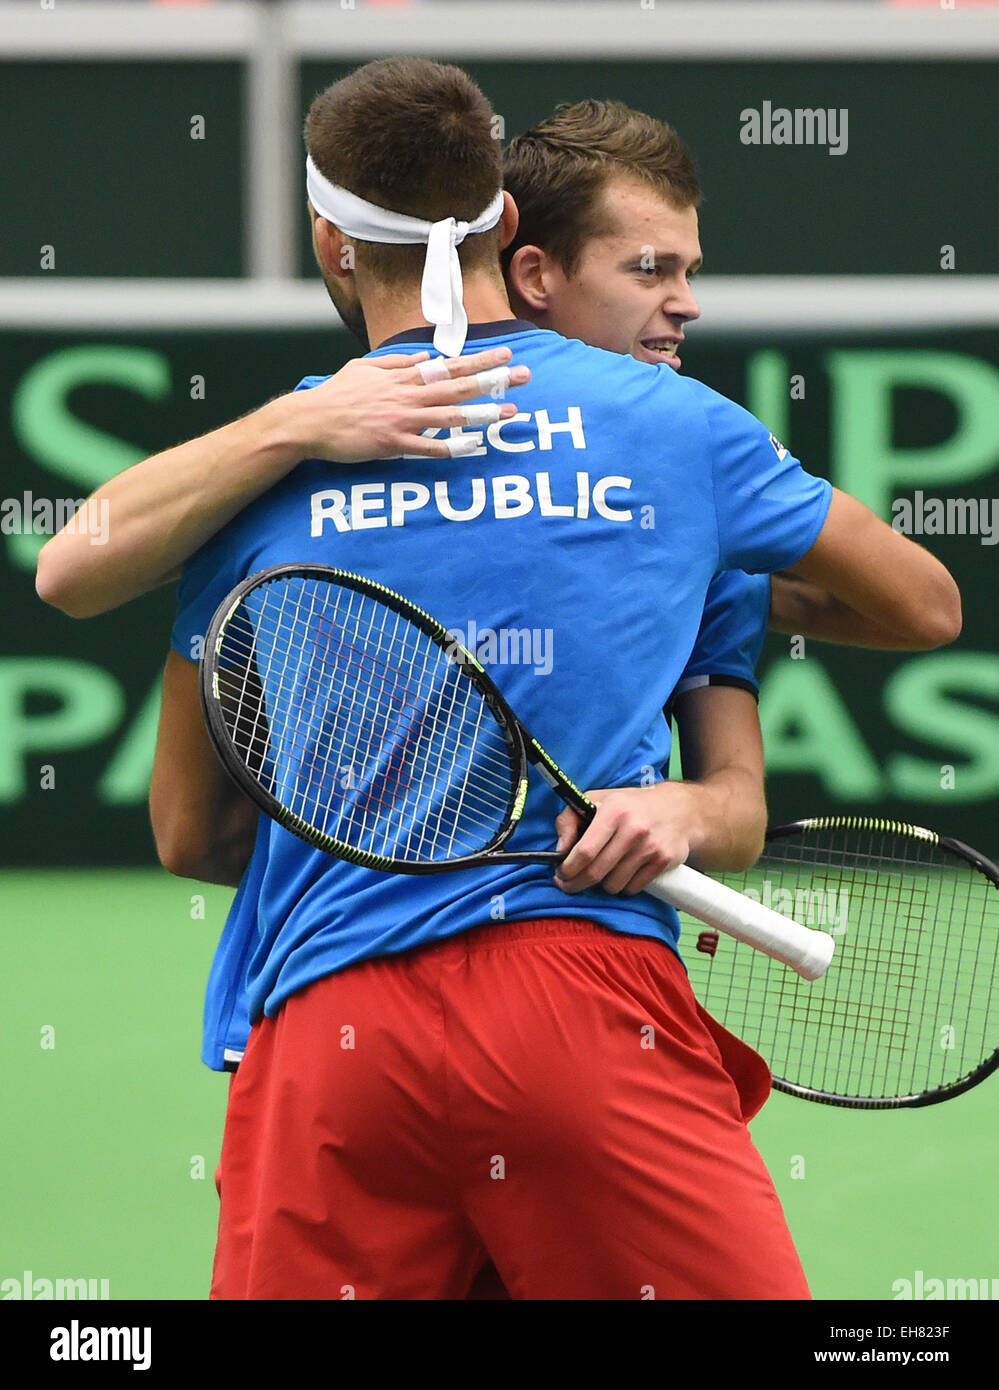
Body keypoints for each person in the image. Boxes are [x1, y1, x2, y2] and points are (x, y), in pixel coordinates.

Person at [39, 62, 960, 1298]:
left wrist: (286, 431)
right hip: (583, 1011)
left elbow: (189, 821)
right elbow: (922, 602)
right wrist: (669, 564)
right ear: (509, 229)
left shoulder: (246, 491)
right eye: (657, 272)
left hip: (327, 1036)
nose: (677, 301)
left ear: (325, 235)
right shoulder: (673, 427)